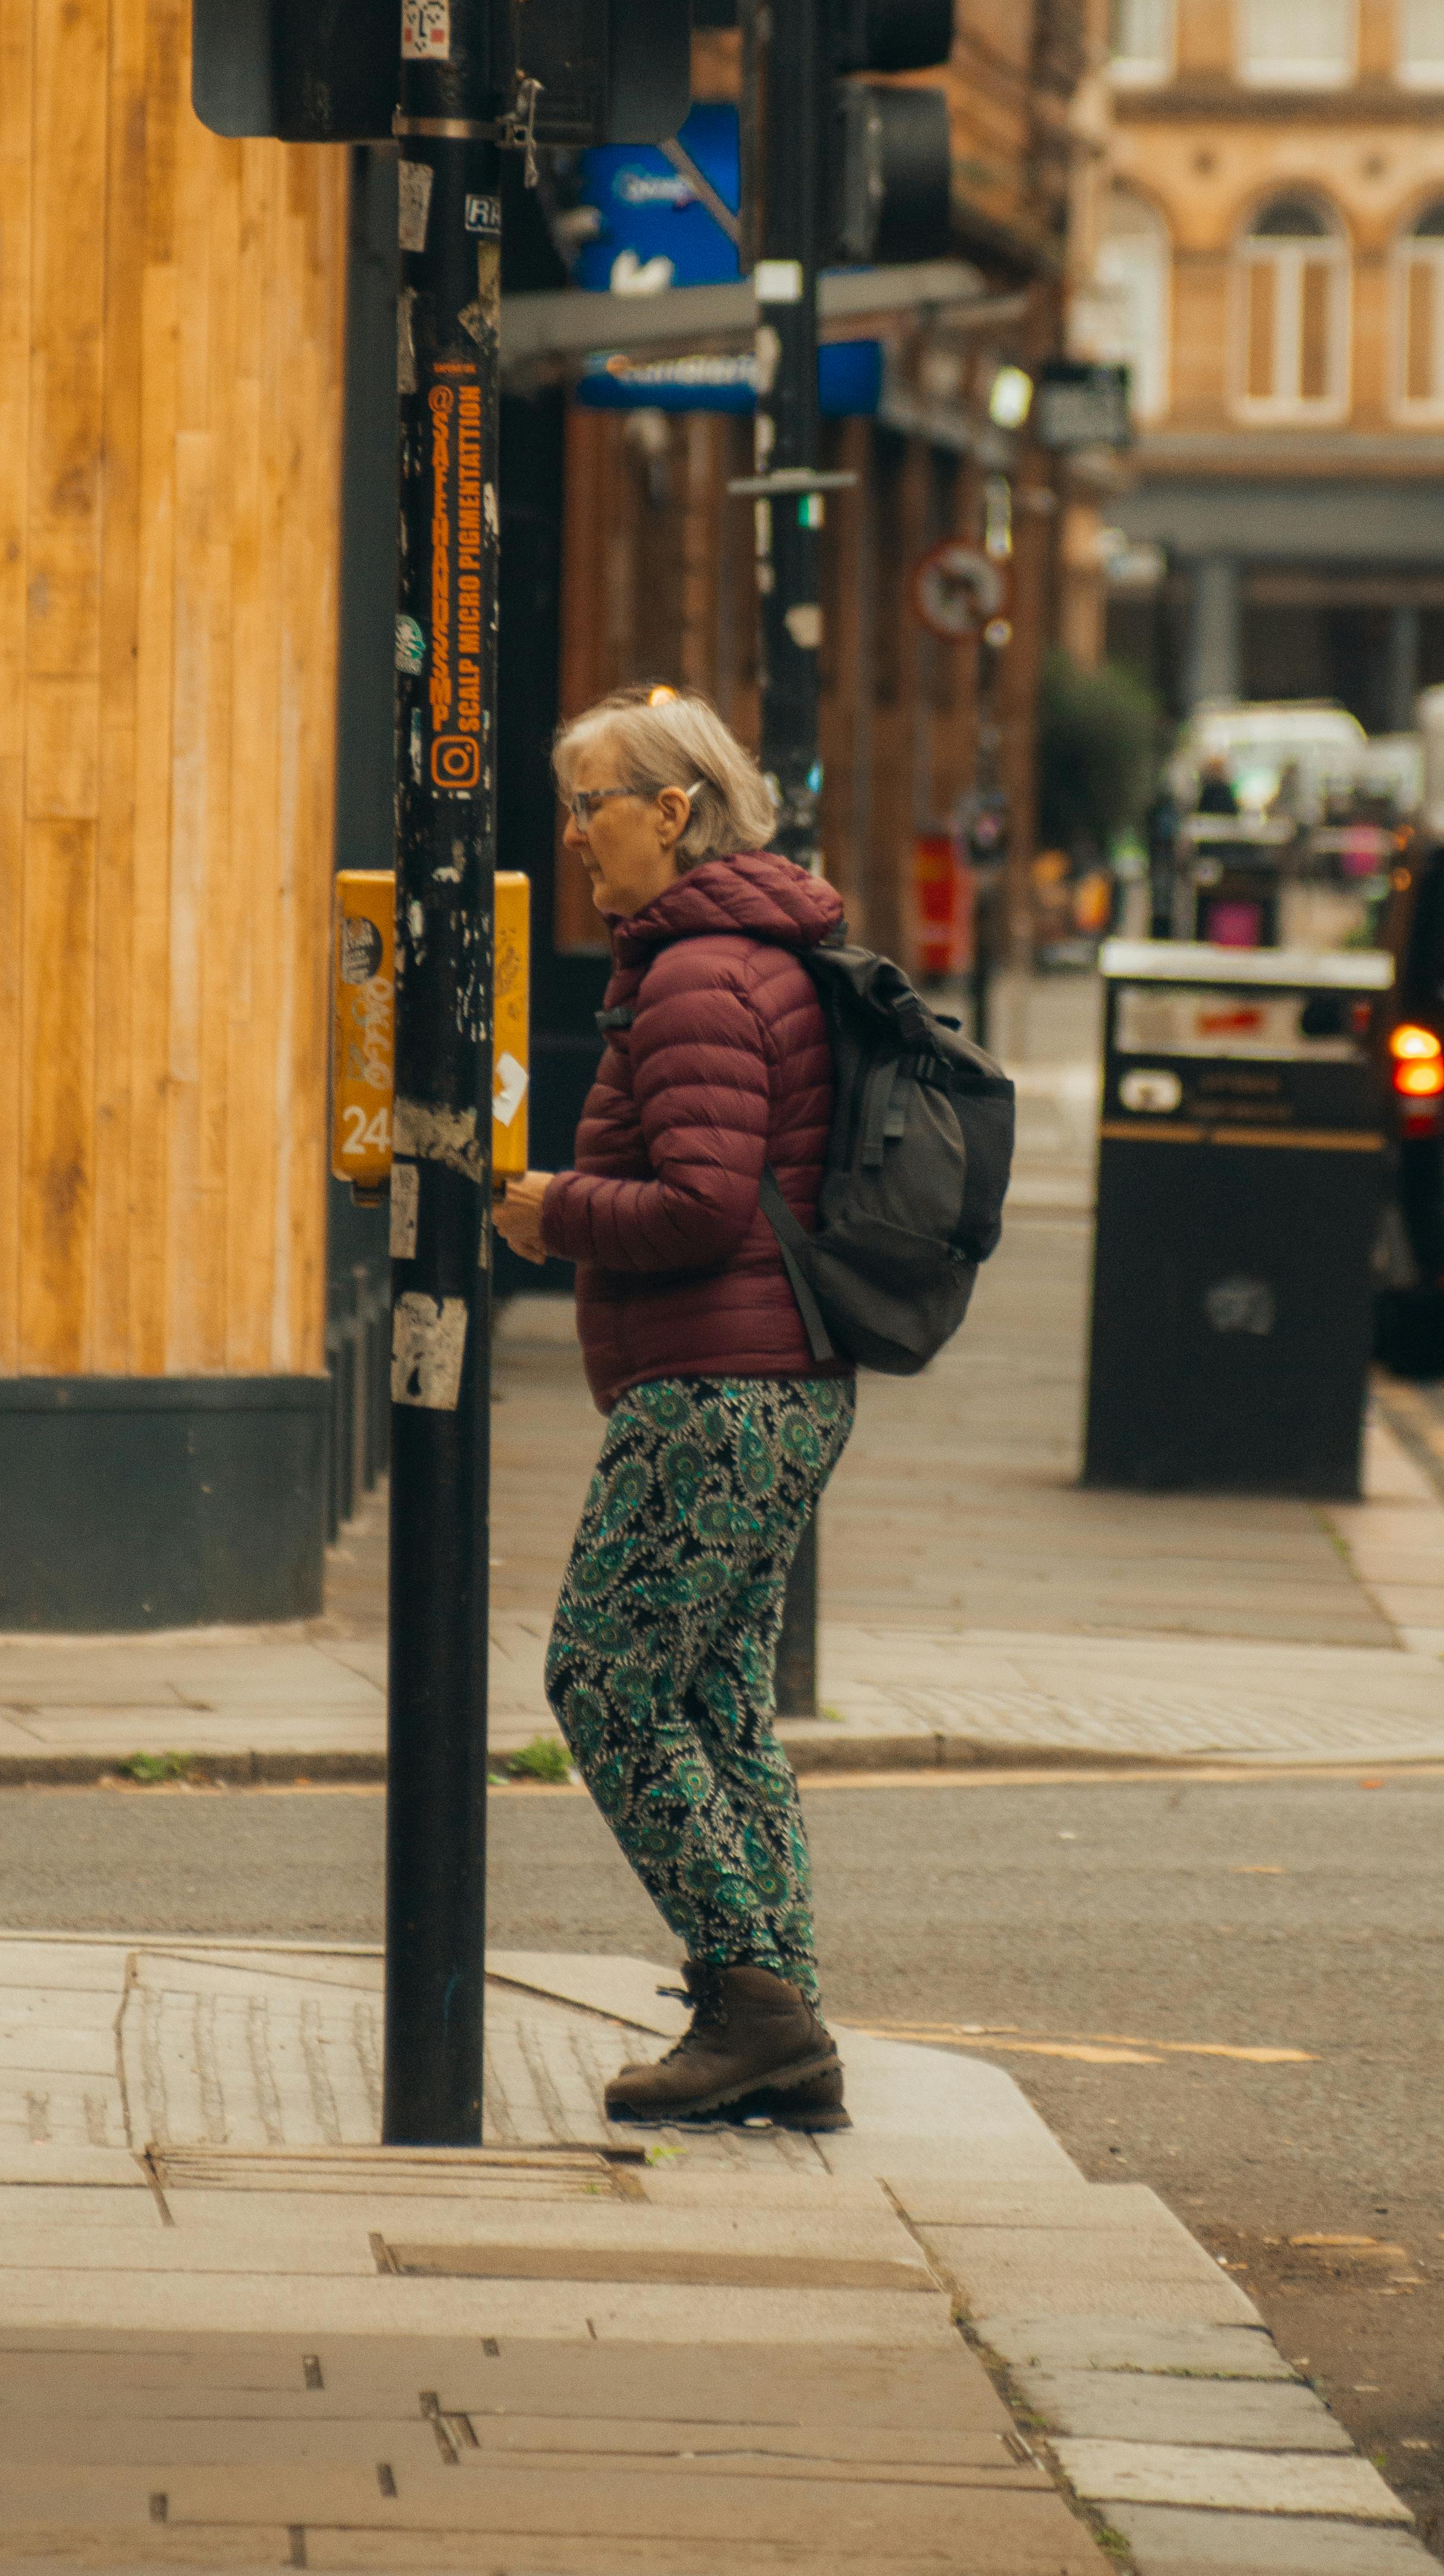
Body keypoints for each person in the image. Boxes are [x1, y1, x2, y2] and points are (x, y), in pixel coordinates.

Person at [492, 684, 856, 2129]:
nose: (574, 835)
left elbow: (704, 1206)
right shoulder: (752, 951)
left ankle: (754, 2002)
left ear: (673, 810)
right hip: (777, 1386)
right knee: (717, 1698)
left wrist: (555, 1211)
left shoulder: (700, 975)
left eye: (591, 805)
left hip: (714, 1394)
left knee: (605, 1681)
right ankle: (781, 2018)